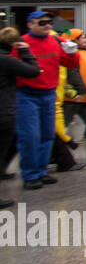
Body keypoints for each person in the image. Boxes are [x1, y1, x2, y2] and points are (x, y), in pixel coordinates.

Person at [14, 10, 79, 191]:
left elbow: (69, 63)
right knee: (30, 136)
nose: (47, 25)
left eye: (49, 22)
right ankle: (30, 174)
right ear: (30, 24)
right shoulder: (21, 44)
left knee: (47, 134)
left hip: (48, 93)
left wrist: (73, 53)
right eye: (41, 22)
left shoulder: (55, 41)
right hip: (27, 94)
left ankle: (41, 171)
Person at [0, 27, 41, 207]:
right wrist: (26, 52)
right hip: (4, 111)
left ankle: (3, 170)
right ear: (14, 43)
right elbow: (34, 71)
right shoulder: (6, 60)